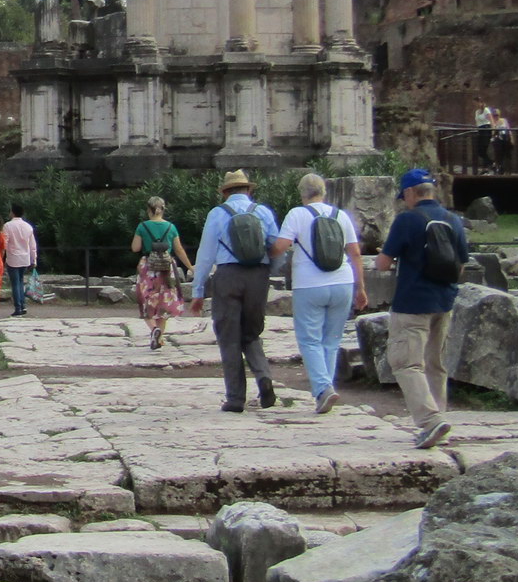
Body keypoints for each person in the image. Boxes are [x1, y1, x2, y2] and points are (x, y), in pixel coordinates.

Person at [373, 167, 470, 449]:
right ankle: (438, 414)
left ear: (411, 193)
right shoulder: (453, 220)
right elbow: (461, 264)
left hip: (412, 302)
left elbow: (383, 264)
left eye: (404, 196)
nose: (404, 200)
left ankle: (430, 420)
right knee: (435, 363)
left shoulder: (407, 220)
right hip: (444, 301)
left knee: (405, 362)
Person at [271, 174, 367, 414]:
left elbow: (280, 247)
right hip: (343, 282)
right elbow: (355, 253)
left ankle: (324, 389)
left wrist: (266, 250)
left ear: (302, 193)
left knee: (309, 339)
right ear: (324, 192)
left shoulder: (297, 214)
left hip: (309, 284)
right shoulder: (340, 215)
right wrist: (361, 288)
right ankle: (326, 388)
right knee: (332, 340)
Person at [189, 169, 280, 412]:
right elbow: (277, 245)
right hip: (258, 276)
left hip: (228, 275)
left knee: (228, 336)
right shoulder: (262, 212)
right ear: (248, 190)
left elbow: (206, 254)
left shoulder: (217, 214)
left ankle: (236, 397)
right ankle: (264, 376)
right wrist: (268, 270)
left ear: (225, 192)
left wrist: (198, 291)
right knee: (251, 333)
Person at [130, 196, 192, 349]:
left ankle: (154, 330)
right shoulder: (171, 227)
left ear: (148, 210)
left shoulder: (142, 226)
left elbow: (135, 248)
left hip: (148, 267)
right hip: (166, 267)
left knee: (146, 300)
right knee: (164, 301)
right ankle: (159, 338)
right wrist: (190, 267)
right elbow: (179, 250)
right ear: (163, 209)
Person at [1, 205, 38, 315]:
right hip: (25, 258)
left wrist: (2, 256)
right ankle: (23, 305)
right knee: (21, 281)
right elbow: (32, 245)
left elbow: (5, 243)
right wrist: (34, 259)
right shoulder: (28, 227)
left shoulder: (7, 226)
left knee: (15, 283)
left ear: (12, 212)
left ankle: (18, 307)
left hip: (13, 257)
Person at [491, 107, 514, 175]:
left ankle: (508, 171)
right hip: (498, 141)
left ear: (499, 114)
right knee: (498, 155)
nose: (496, 116)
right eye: (494, 115)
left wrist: (512, 138)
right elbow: (492, 133)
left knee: (507, 155)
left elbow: (509, 130)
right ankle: (499, 169)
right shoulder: (493, 122)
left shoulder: (504, 120)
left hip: (506, 139)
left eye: (497, 115)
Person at [473, 99, 493, 171]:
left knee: (483, 149)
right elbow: (477, 122)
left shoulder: (486, 110)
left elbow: (491, 120)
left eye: (477, 103)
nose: (476, 104)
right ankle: (491, 164)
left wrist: (493, 131)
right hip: (480, 130)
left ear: (481, 102)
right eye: (475, 103)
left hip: (486, 130)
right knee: (480, 151)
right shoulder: (477, 112)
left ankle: (486, 168)